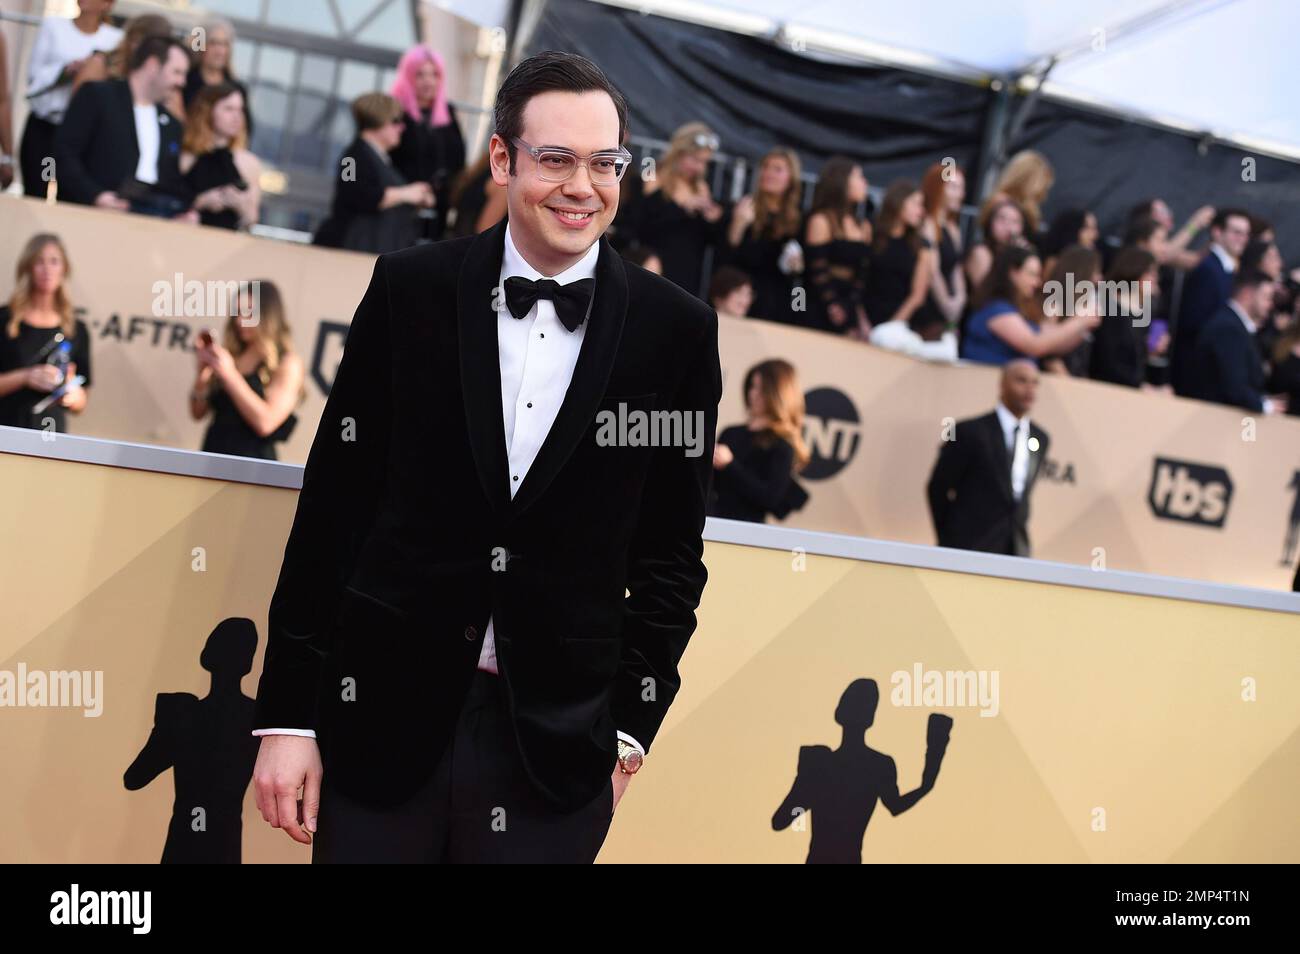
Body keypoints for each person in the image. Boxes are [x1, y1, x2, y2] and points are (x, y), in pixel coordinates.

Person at [250, 51, 722, 864]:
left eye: (604, 163)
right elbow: (334, 509)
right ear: (503, 159)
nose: (583, 186)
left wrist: (629, 732)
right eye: (555, 159)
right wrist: (290, 716)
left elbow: (672, 558)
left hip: (555, 753)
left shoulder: (674, 334)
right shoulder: (410, 291)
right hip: (385, 723)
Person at [54, 34, 193, 218]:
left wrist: (185, 211)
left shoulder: (171, 125)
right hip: (90, 217)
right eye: (177, 72)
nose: (182, 82)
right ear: (152, 65)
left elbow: (171, 181)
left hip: (151, 225)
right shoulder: (97, 96)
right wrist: (95, 195)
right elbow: (64, 153)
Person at [926, 359, 1050, 557]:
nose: (1029, 389)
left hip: (1016, 550)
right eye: (1021, 380)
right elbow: (938, 488)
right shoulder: (969, 431)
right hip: (967, 546)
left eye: (1035, 383)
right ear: (1002, 385)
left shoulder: (1040, 438)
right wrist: (950, 539)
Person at [18, 0, 122, 198]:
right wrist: (65, 71)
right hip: (46, 127)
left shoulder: (114, 39)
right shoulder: (54, 26)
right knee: (37, 189)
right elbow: (34, 77)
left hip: (82, 136)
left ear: (107, 4)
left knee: (71, 193)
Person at [190, 281, 303, 460]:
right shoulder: (233, 353)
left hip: (253, 470)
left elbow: (266, 423)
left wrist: (229, 375)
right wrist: (202, 376)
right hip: (211, 458)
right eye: (237, 313)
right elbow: (197, 413)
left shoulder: (288, 363)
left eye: (249, 313)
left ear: (268, 315)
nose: (240, 321)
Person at [313, 92, 433, 254]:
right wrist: (405, 194)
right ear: (378, 121)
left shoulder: (383, 159)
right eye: (395, 121)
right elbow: (354, 194)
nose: (401, 127)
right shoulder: (351, 158)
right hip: (353, 248)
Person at [0, 234, 90, 432]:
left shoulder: (76, 329)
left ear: (64, 269)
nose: (47, 269)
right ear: (28, 268)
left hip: (51, 437)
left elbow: (82, 400)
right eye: (39, 261)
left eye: (54, 261)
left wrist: (73, 395)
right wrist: (25, 377)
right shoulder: (4, 319)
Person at [710, 359, 810, 523]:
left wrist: (730, 465)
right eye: (752, 386)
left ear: (776, 394)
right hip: (714, 522)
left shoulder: (782, 447)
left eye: (761, 389)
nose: (753, 393)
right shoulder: (731, 433)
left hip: (749, 531)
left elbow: (770, 498)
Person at [962, 245, 1097, 366]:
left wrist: (1082, 325)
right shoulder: (996, 309)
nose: (1037, 282)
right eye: (1032, 274)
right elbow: (1034, 345)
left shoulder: (1019, 310)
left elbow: (1052, 342)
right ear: (1013, 273)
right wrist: (1079, 321)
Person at [636, 121, 725, 299]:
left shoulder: (701, 188)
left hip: (689, 275)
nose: (699, 167)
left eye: (704, 162)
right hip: (657, 268)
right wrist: (682, 209)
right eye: (694, 159)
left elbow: (707, 240)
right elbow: (642, 225)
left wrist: (713, 220)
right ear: (678, 152)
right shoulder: (654, 178)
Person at [389, 44, 466, 242]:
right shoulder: (394, 113)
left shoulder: (448, 112)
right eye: (420, 74)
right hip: (400, 204)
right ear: (408, 77)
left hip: (438, 207)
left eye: (434, 75)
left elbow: (458, 159)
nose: (428, 81)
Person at [1170, 207, 1251, 396]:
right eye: (1236, 232)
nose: (1243, 239)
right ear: (1217, 232)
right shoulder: (1209, 269)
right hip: (1197, 373)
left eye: (1246, 234)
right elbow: (1194, 322)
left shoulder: (1225, 270)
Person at [723, 147, 804, 326]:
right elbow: (727, 257)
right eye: (766, 167)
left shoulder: (798, 219)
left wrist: (797, 265)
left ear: (791, 178)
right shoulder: (745, 207)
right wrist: (738, 224)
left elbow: (799, 275)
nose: (768, 173)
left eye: (777, 169)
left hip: (778, 301)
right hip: (743, 297)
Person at [1188, 270, 1286, 414]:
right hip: (1216, 419)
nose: (1270, 305)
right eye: (1266, 297)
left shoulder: (1236, 326)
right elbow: (1234, 385)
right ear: (1247, 294)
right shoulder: (1228, 328)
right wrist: (1266, 406)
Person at [804, 156, 872, 336]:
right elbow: (817, 269)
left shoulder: (863, 226)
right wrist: (833, 305)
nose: (865, 182)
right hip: (819, 306)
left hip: (849, 305)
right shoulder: (822, 220)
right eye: (859, 177)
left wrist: (850, 306)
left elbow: (863, 273)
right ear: (842, 182)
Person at [180, 83, 260, 229]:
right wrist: (201, 201)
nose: (237, 117)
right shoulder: (185, 157)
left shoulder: (249, 163)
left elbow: (251, 220)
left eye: (240, 110)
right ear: (208, 111)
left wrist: (240, 205)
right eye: (228, 109)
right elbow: (169, 205)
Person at [864, 180, 932, 332]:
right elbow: (859, 280)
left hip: (899, 325)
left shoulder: (921, 246)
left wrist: (890, 329)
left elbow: (918, 296)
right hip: (865, 319)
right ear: (898, 201)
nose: (920, 211)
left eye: (922, 205)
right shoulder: (871, 233)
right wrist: (862, 322)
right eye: (916, 204)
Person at [1089, 247, 1158, 388]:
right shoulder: (1109, 307)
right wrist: (1141, 386)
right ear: (1134, 272)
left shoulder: (1140, 312)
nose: (1155, 278)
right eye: (1150, 273)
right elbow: (1108, 362)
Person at [182, 18, 252, 136]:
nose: (220, 51)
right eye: (213, 43)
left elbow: (245, 131)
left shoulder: (237, 89)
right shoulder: (184, 82)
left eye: (225, 44)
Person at [1039, 244, 1102, 377]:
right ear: (1081, 272)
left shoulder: (1087, 304)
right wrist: (1080, 322)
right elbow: (1047, 349)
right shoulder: (1055, 302)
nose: (1098, 279)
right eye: (1095, 272)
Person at [920, 161, 967, 331]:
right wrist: (947, 303)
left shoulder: (953, 228)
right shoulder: (928, 225)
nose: (960, 194)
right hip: (930, 307)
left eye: (961, 188)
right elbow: (933, 271)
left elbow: (956, 268)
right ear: (938, 188)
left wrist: (960, 298)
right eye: (953, 187)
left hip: (948, 307)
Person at [979, 150, 1053, 237]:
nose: (1044, 194)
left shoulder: (1027, 207)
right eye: (1043, 187)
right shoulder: (1001, 202)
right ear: (1029, 182)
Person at [965, 197, 1024, 290]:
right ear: (990, 222)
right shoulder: (981, 252)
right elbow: (985, 292)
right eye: (1002, 219)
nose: (1008, 226)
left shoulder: (1019, 253)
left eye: (1015, 221)